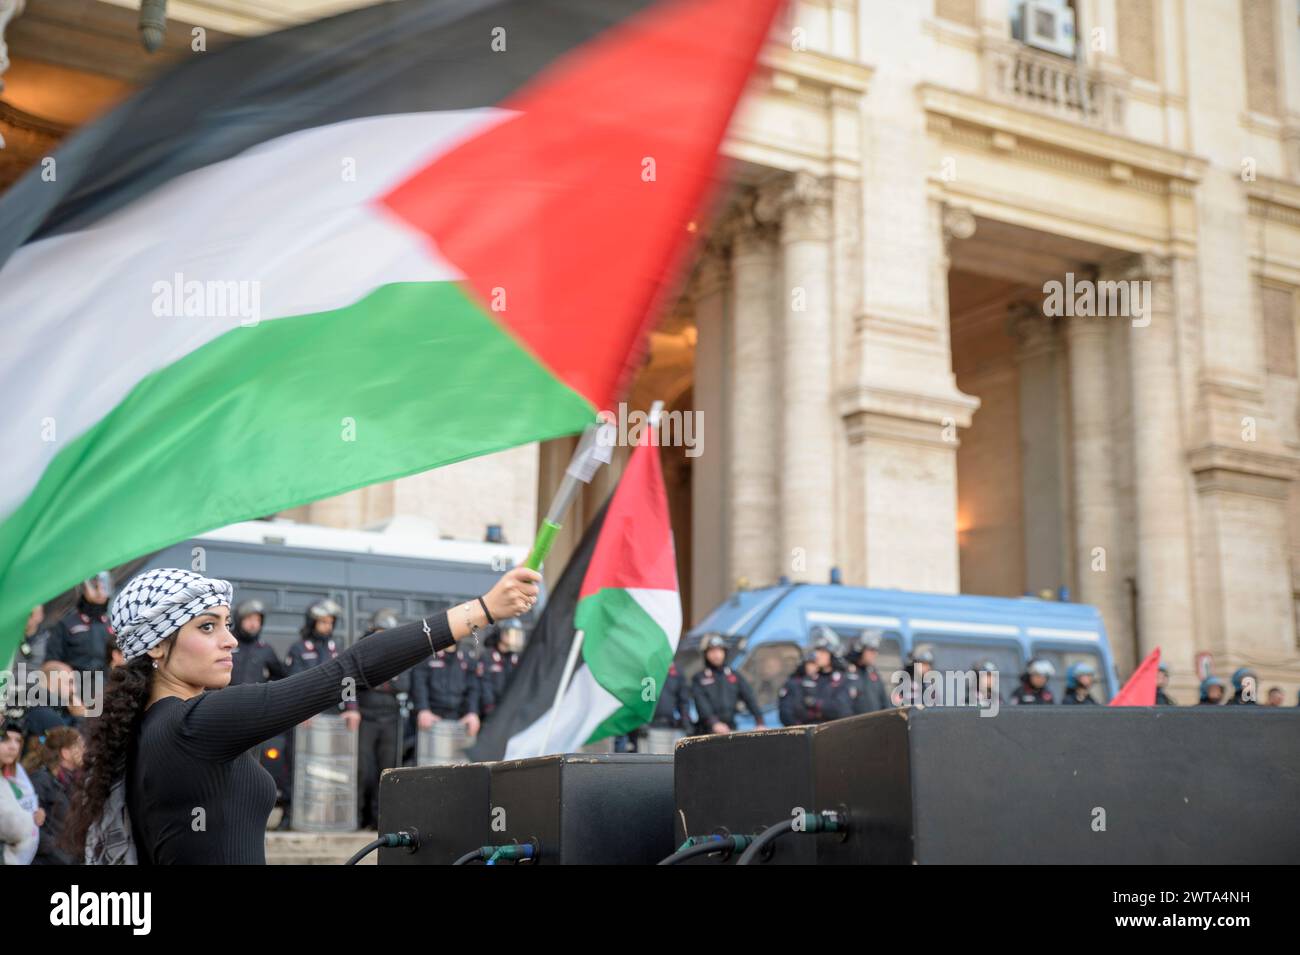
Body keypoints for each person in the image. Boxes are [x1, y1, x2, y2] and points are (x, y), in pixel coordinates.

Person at [62, 564, 538, 865]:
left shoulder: (154, 726)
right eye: (207, 627)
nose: (229, 639)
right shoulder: (193, 724)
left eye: (226, 624)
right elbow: (348, 670)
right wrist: (481, 610)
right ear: (158, 647)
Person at [355, 609, 417, 831]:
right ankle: (359, 817)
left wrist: (378, 682)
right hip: (367, 719)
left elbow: (403, 685)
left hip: (391, 721)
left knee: (387, 770)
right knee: (364, 770)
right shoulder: (362, 651)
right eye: (379, 632)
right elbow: (362, 681)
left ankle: (379, 820)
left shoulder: (402, 656)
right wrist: (386, 683)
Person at [26, 726, 83, 865]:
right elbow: (30, 829)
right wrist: (61, 852)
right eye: (79, 746)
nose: (84, 750)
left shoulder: (76, 782)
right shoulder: (40, 780)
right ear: (65, 753)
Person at [690, 634, 765, 734]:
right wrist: (714, 723)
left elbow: (749, 697)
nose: (716, 655)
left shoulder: (733, 676)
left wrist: (760, 722)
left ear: (724, 652)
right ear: (706, 654)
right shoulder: (699, 678)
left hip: (730, 728)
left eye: (719, 651)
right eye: (712, 651)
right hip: (707, 730)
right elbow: (701, 704)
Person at [44, 573, 114, 678]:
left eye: (104, 586)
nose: (100, 591)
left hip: (104, 688)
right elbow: (51, 663)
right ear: (83, 588)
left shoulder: (111, 625)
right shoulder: (66, 624)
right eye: (94, 586)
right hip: (73, 687)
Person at [778, 646, 852, 726]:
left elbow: (841, 709)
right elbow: (790, 710)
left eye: (813, 663)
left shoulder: (841, 678)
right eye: (809, 663)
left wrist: (816, 704)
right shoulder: (796, 682)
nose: (813, 667)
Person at [0, 721, 40, 865]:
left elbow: (26, 801)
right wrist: (28, 821)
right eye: (5, 739)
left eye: (18, 741)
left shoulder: (16, 771)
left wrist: (35, 814)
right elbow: (13, 825)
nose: (13, 747)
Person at [229, 599, 287, 686]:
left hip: (254, 698)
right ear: (239, 619)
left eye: (257, 620)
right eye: (249, 619)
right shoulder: (227, 644)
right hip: (226, 697)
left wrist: (264, 690)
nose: (253, 624)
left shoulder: (265, 648)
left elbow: (279, 676)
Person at [478, 620, 524, 721]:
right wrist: (489, 707)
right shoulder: (487, 656)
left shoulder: (516, 658)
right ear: (502, 634)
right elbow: (485, 685)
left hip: (510, 711)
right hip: (491, 711)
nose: (515, 638)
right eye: (512, 634)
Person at [845, 630, 890, 714]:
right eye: (871, 650)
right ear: (860, 649)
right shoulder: (846, 673)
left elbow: (885, 703)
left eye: (876, 650)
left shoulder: (873, 674)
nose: (875, 654)